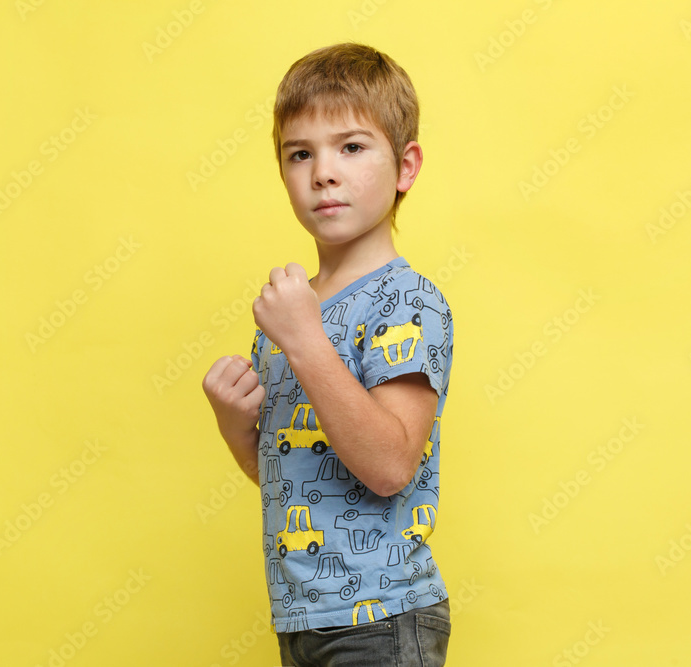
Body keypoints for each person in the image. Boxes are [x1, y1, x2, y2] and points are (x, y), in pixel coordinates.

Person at [202, 42, 454, 666]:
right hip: (301, 617)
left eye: (352, 147)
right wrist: (235, 428)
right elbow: (295, 479)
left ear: (406, 166)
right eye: (300, 154)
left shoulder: (406, 301)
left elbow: (388, 466)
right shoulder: (290, 314)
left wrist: (305, 341)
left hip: (383, 615)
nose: (323, 173)